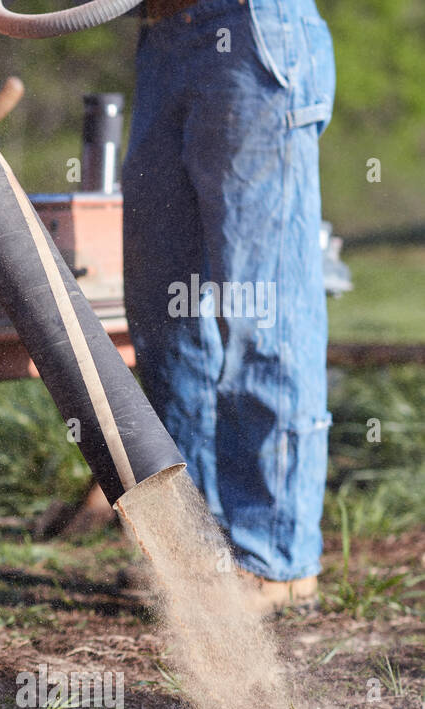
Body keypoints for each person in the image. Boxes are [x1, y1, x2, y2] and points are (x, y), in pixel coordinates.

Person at [121, 0, 336, 612]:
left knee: (261, 305)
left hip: (249, 27)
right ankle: (196, 556)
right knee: (165, 316)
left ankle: (273, 559)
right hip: (162, 38)